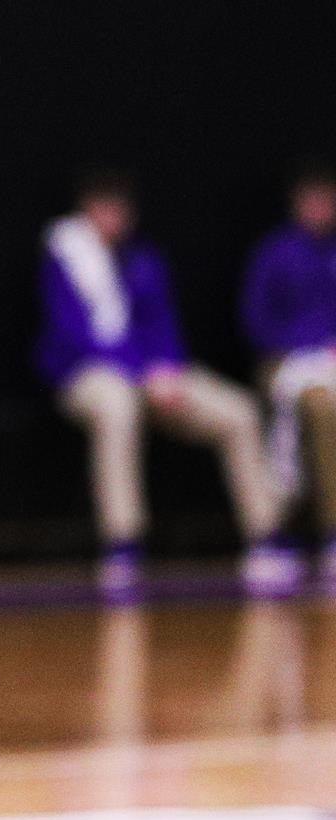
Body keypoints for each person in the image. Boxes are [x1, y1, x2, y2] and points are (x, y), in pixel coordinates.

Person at [36, 169, 293, 600]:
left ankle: (266, 535)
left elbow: (165, 326)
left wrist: (168, 370)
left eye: (119, 208)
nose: (112, 217)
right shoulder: (64, 256)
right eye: (102, 207)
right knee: (119, 409)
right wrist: (142, 372)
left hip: (156, 375)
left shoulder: (144, 259)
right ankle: (124, 543)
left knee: (239, 412)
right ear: (86, 210)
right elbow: (75, 335)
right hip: (88, 374)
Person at [243, 162, 336, 585]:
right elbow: (257, 322)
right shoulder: (274, 252)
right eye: (311, 199)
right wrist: (310, 346)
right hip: (287, 361)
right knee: (320, 407)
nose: (320, 207)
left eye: (326, 198)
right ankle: (321, 531)